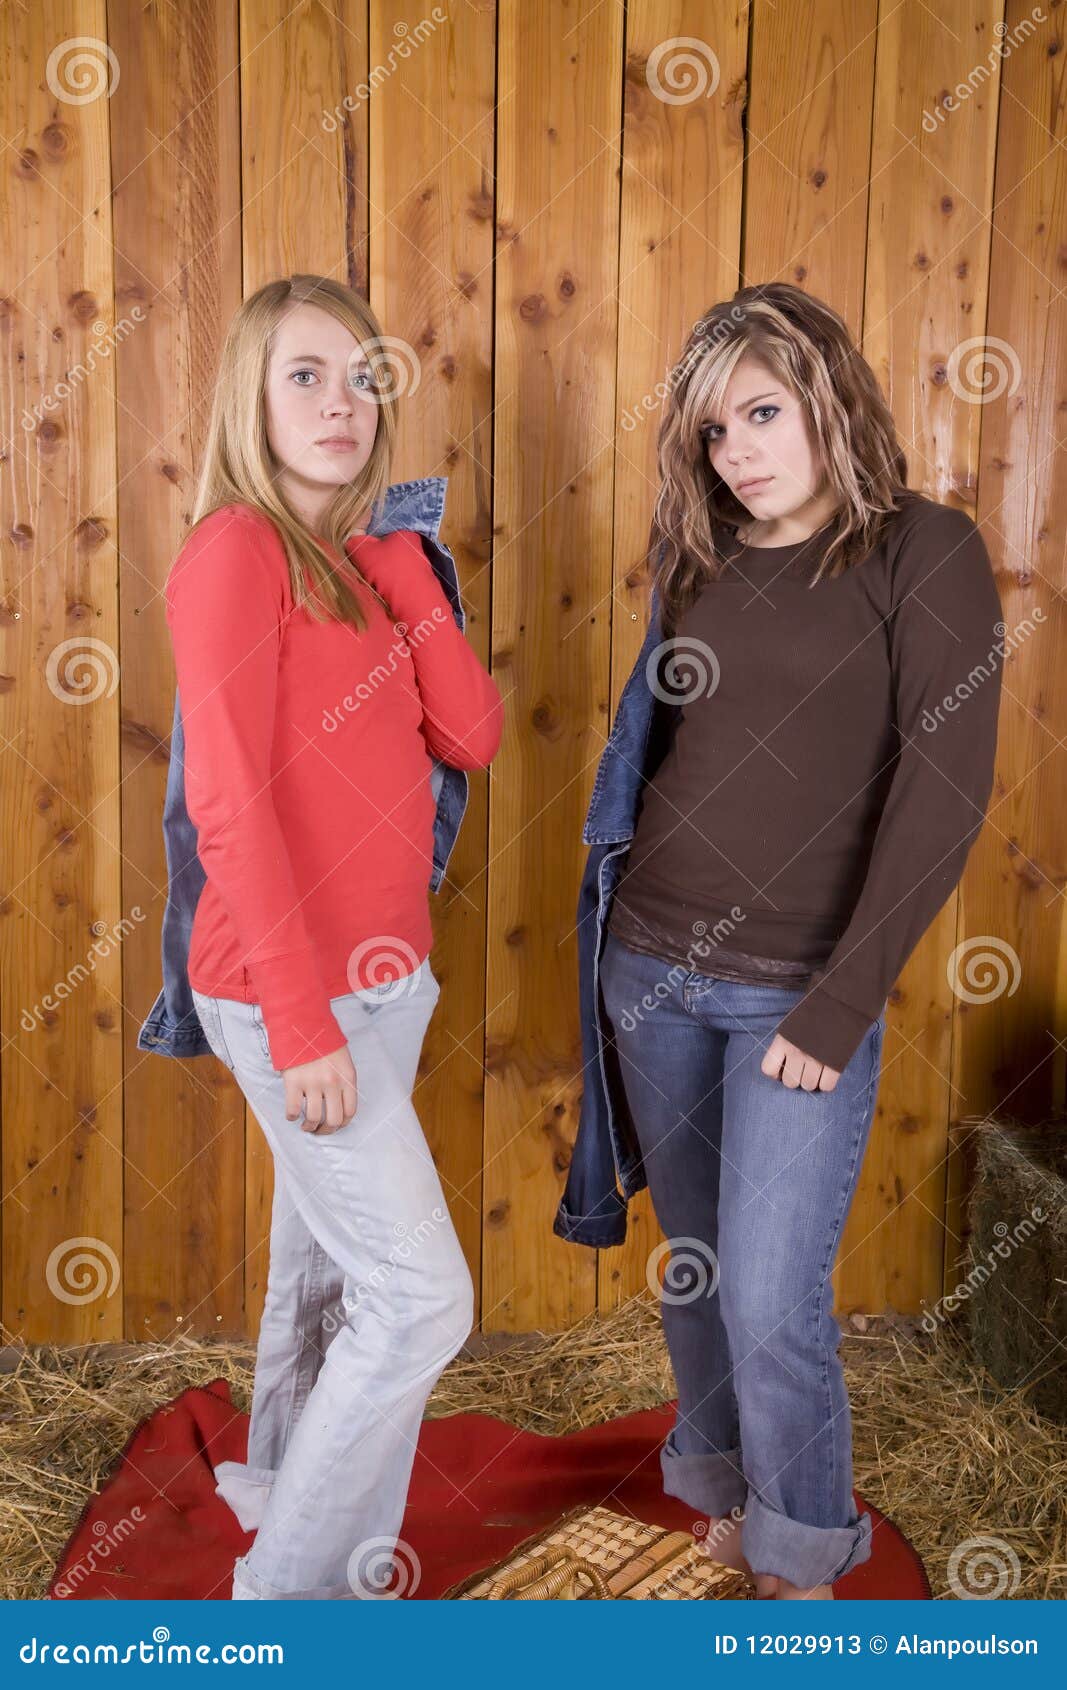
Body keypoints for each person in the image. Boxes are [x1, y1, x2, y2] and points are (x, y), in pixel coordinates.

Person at [597, 283, 1003, 1598]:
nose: (740, 451)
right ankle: (719, 1490)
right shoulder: (699, 554)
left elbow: (942, 793)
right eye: (715, 430)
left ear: (830, 395)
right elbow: (653, 759)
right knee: (696, 1269)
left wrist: (835, 1010)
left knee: (774, 1299)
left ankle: (802, 1555)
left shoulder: (922, 550)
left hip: (797, 991)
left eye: (763, 412)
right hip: (650, 962)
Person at [166, 273, 503, 1598]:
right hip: (283, 991)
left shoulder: (372, 567)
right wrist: (300, 1020)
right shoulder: (234, 552)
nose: (341, 401)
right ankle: (285, 1603)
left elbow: (469, 735)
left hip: (391, 988)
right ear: (251, 395)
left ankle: (275, 1478)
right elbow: (227, 806)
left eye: (362, 375)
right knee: (422, 1300)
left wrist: (410, 574)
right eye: (305, 374)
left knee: (324, 1271)